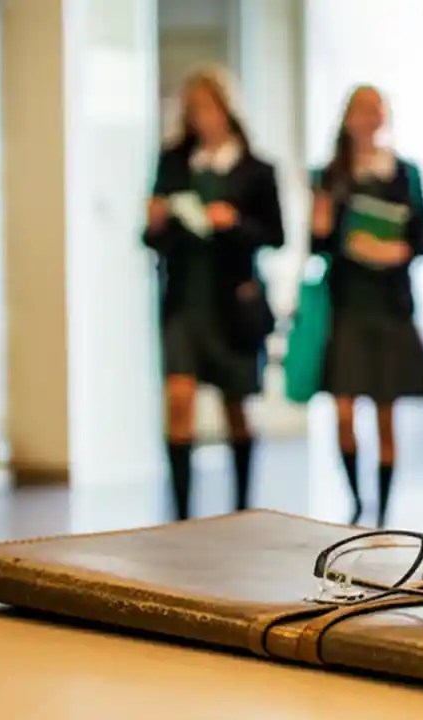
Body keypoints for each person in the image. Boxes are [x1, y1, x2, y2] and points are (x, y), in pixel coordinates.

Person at [143, 66, 284, 520]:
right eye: (193, 110)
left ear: (226, 109)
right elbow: (150, 238)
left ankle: (241, 508)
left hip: (232, 302)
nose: (201, 117)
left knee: (235, 405)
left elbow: (275, 234)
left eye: (208, 107)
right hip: (185, 298)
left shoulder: (257, 170)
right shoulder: (173, 163)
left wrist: (235, 222)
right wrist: (157, 223)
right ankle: (181, 512)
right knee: (179, 397)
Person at [311, 85, 423, 528]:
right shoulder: (330, 175)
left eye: (375, 109)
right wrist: (325, 224)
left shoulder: (406, 174)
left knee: (385, 410)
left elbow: (422, 240)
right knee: (343, 410)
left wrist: (390, 250)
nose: (368, 118)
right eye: (360, 110)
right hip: (348, 302)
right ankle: (355, 501)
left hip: (391, 303)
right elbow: (317, 244)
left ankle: (382, 510)